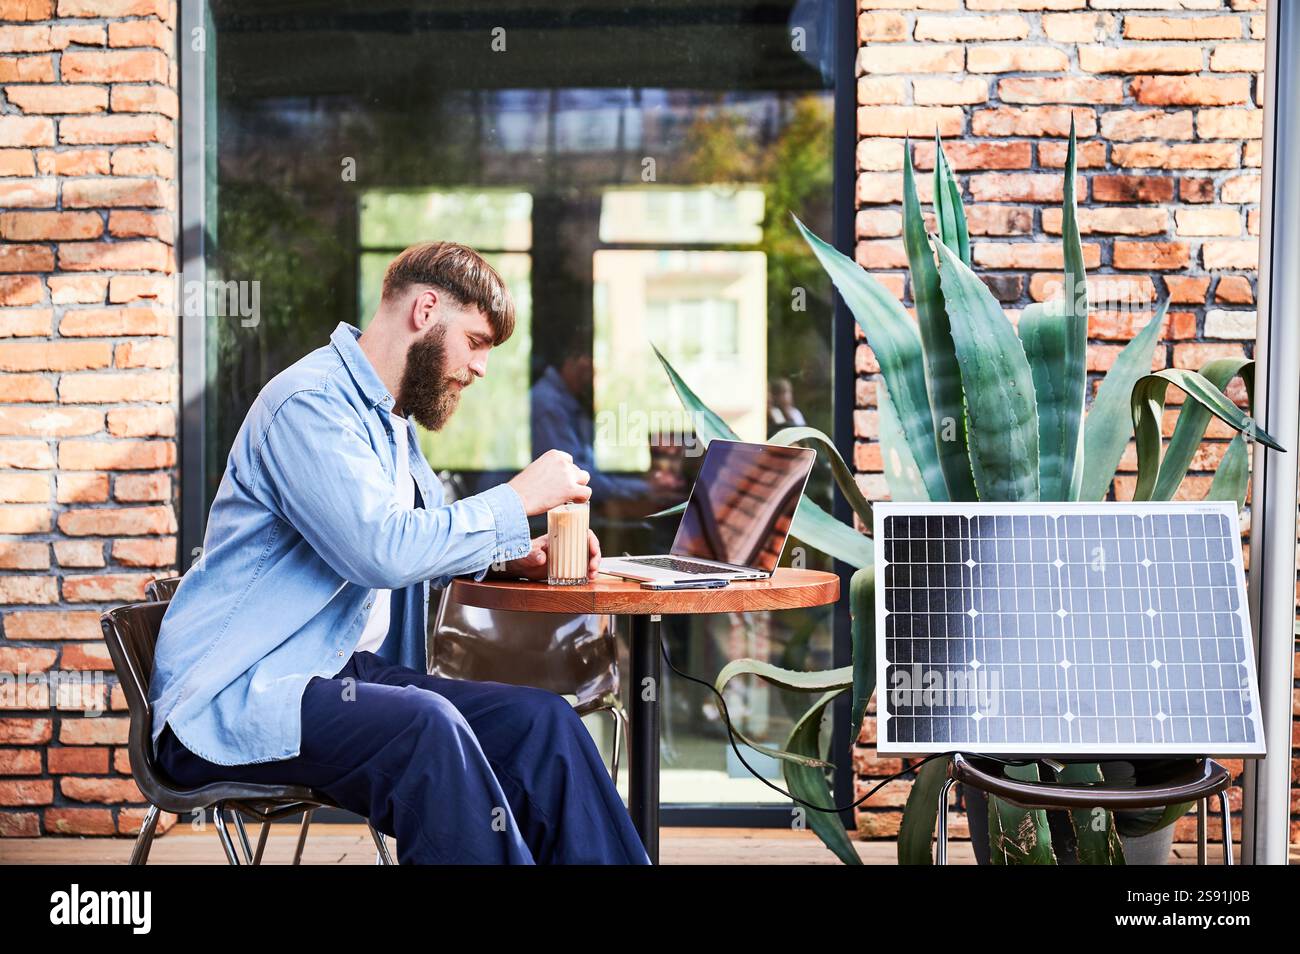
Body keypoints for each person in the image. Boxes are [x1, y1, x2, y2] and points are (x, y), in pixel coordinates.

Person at [148, 241, 651, 865]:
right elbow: (379, 551)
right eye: (476, 341)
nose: (481, 368)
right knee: (428, 729)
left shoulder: (390, 420)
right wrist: (517, 498)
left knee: (544, 723)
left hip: (334, 672)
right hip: (238, 692)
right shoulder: (310, 405)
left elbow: (416, 532)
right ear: (426, 309)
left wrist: (510, 556)